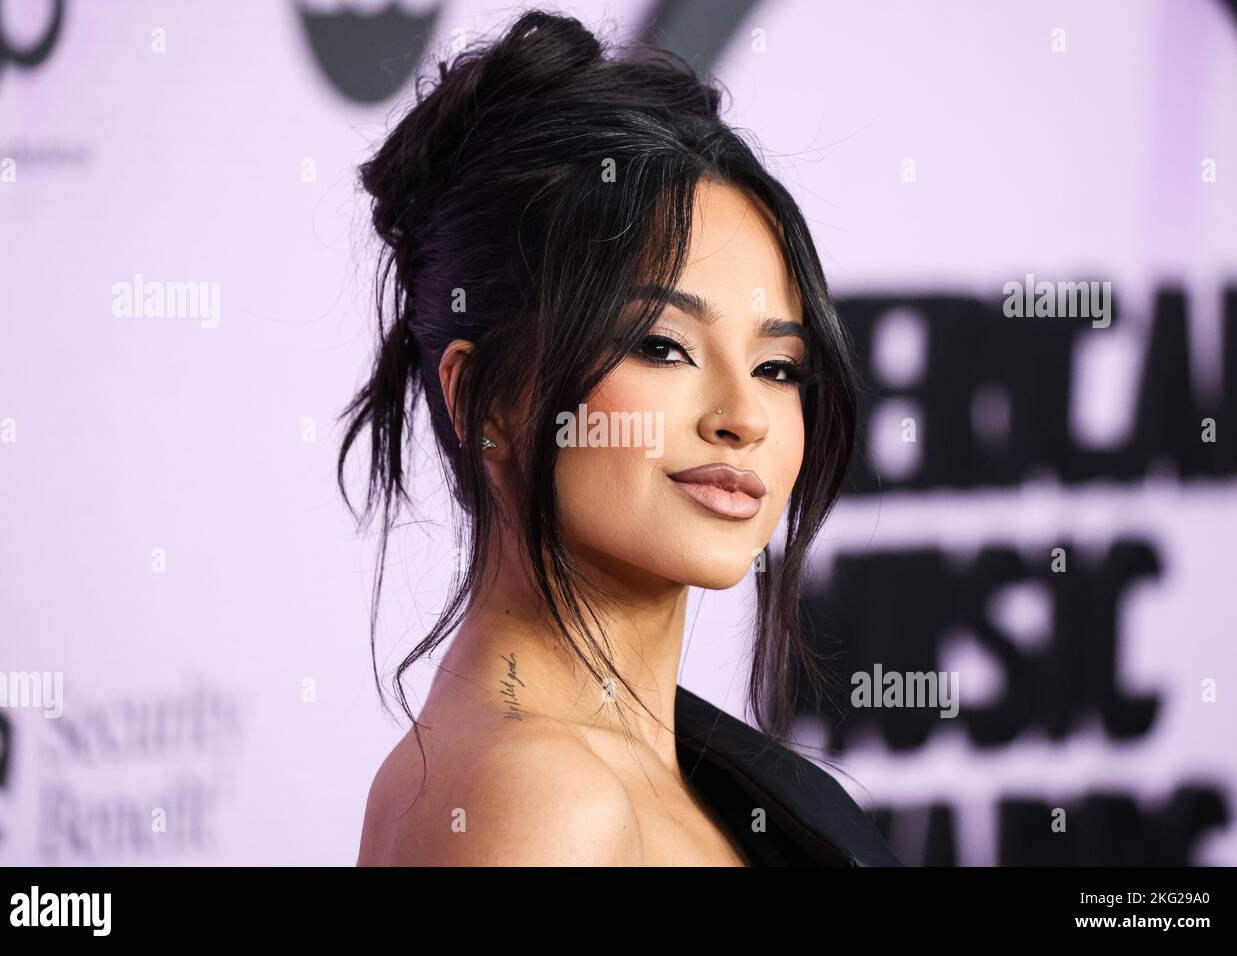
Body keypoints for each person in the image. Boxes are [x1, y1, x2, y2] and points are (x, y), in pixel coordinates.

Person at [343, 9, 900, 866]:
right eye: (662, 346)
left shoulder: (652, 766)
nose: (743, 417)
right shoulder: (535, 798)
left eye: (779, 367)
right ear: (484, 401)